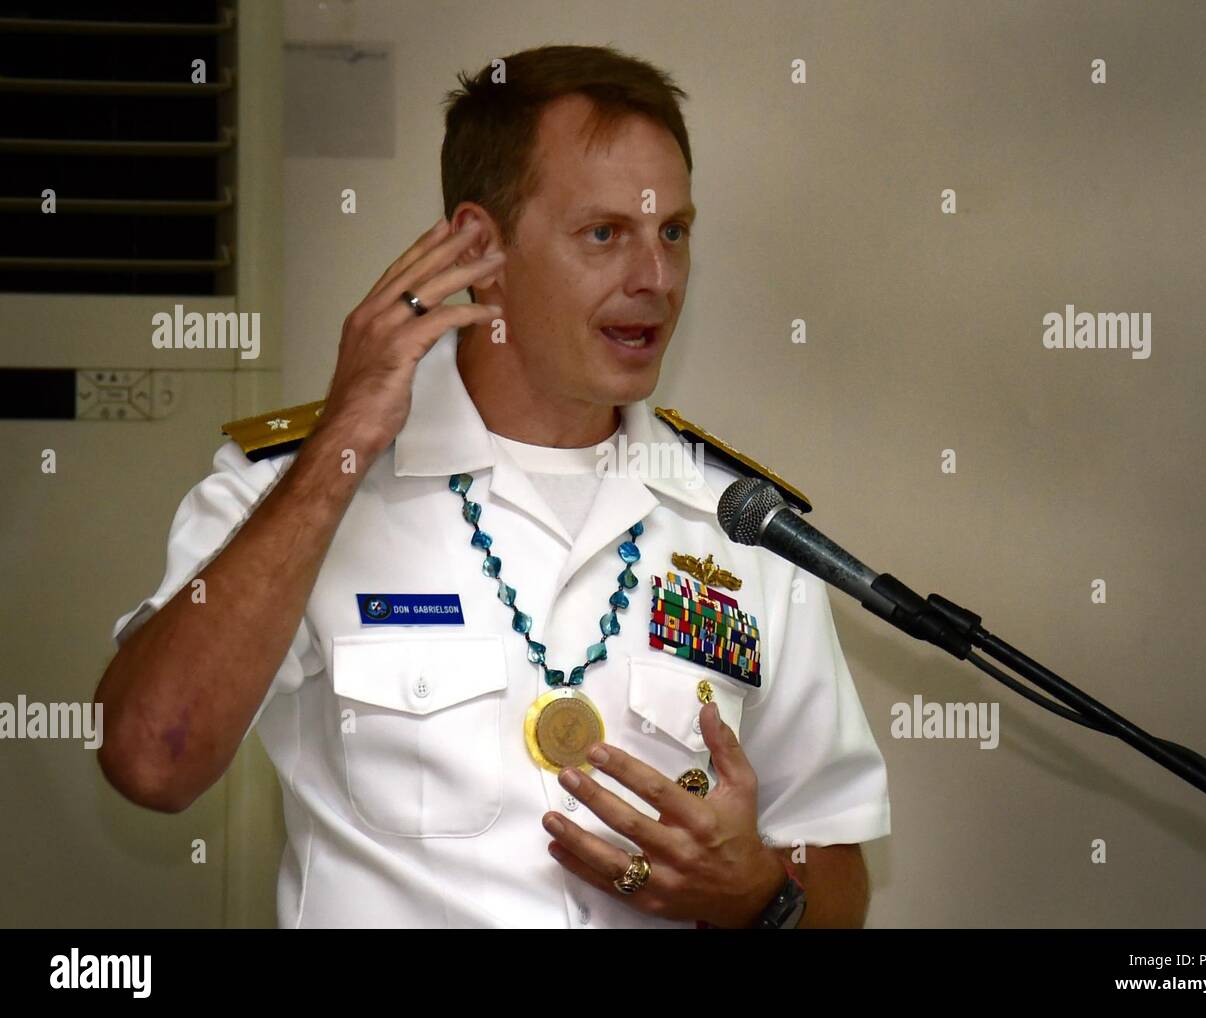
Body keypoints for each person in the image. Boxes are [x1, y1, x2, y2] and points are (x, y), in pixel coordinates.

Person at [95, 44, 889, 929]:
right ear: (482, 248)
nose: (655, 279)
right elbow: (150, 760)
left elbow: (834, 866)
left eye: (673, 232)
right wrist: (343, 445)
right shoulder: (298, 486)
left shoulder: (744, 524)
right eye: (604, 234)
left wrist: (760, 895)